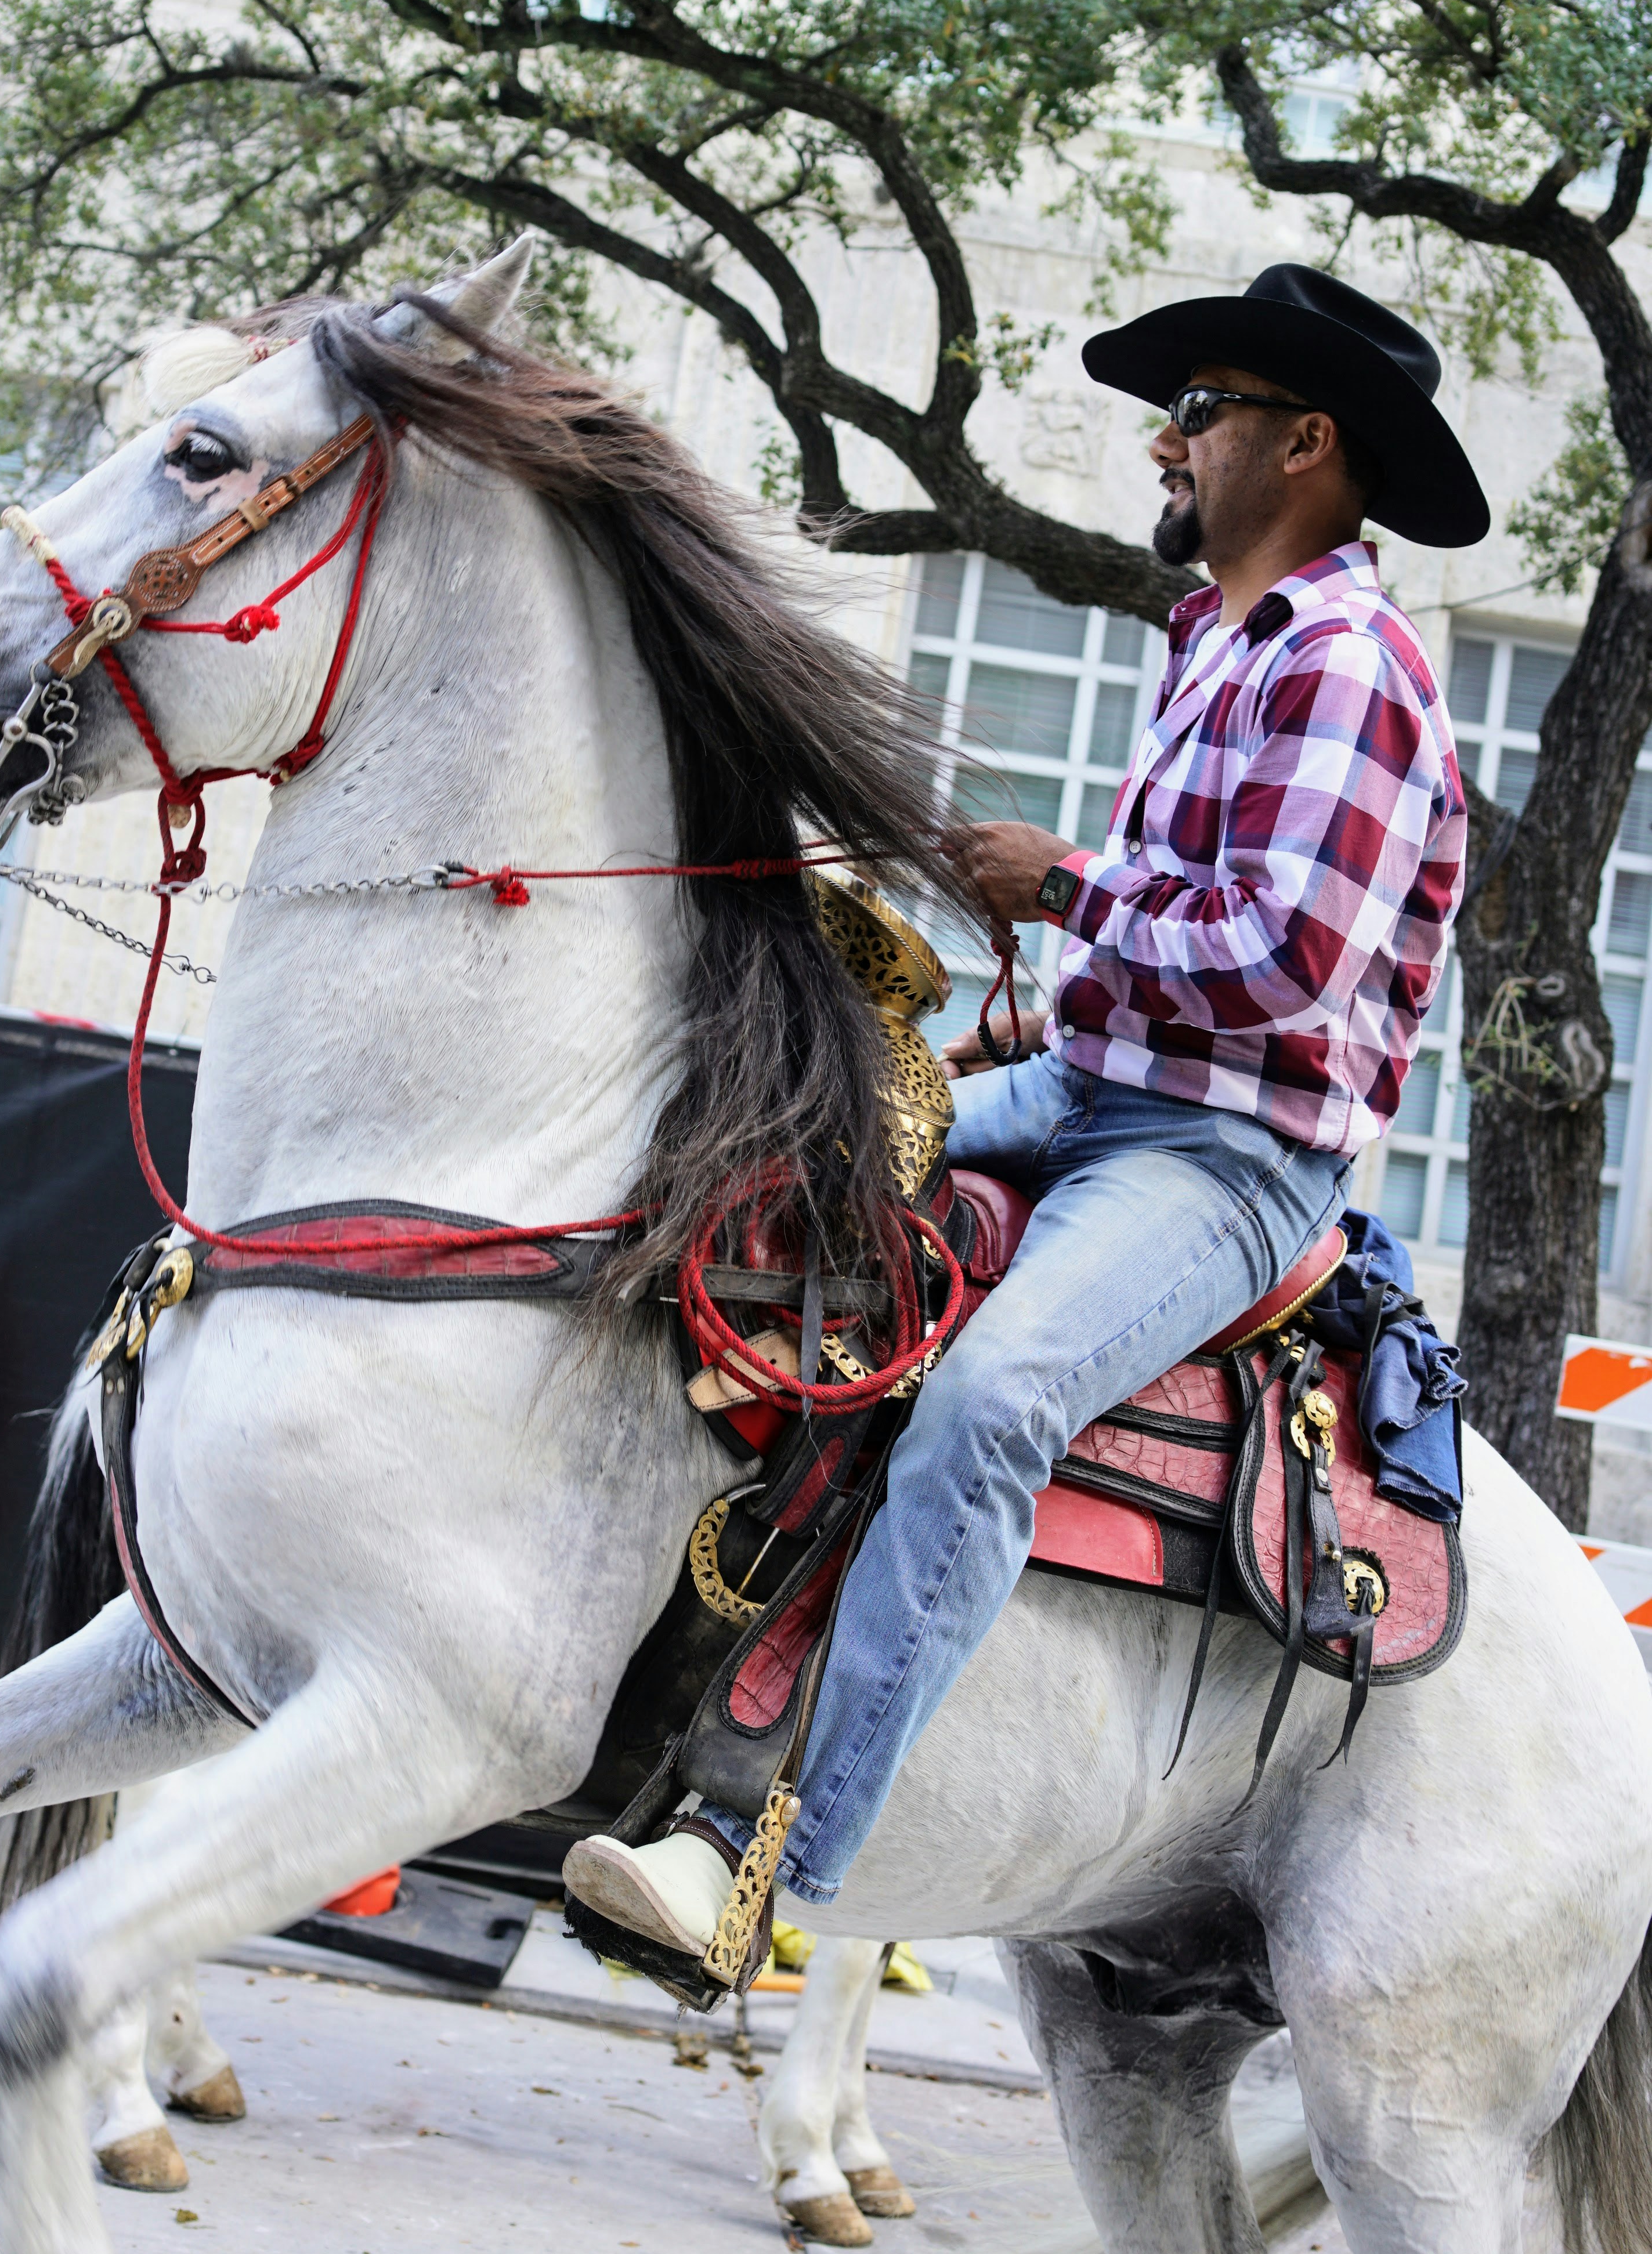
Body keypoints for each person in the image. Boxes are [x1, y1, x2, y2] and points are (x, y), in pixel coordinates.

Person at [563, 262, 1487, 1969]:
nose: (1163, 441)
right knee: (743, 1173)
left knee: (996, 1400)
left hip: (1229, 1158)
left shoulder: (1349, 664)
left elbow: (1286, 959)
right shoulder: (1219, 646)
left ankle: (775, 1861)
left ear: (1305, 443)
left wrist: (1065, 882)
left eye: (1195, 411)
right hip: (1088, 1087)